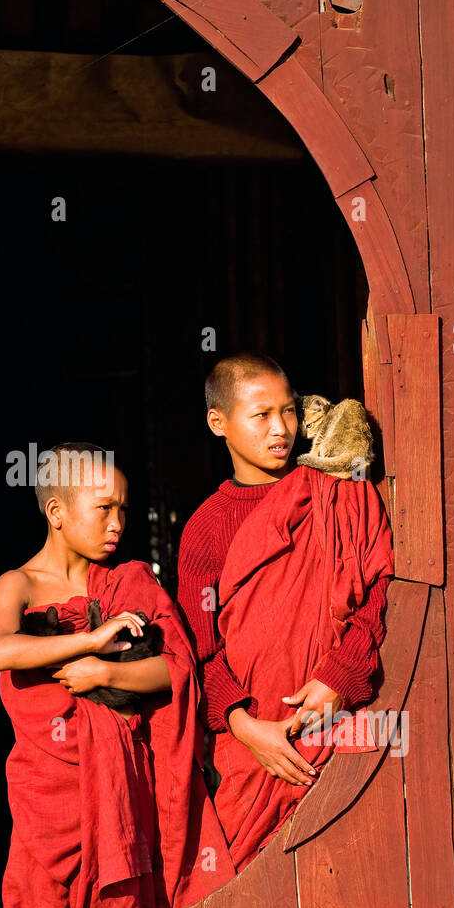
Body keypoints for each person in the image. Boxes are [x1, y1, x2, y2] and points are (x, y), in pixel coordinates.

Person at [0, 441, 235, 908]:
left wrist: (105, 673)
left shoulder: (129, 582)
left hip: (126, 777)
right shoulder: (19, 584)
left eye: (122, 508)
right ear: (56, 511)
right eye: (103, 508)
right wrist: (91, 640)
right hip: (50, 782)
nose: (117, 523)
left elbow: (177, 671)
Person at [176, 353, 394, 873]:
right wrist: (244, 724)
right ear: (218, 422)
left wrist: (340, 675)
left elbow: (377, 588)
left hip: (339, 718)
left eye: (290, 412)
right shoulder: (207, 528)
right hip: (251, 750)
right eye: (261, 415)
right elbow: (196, 650)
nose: (281, 429)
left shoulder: (335, 492)